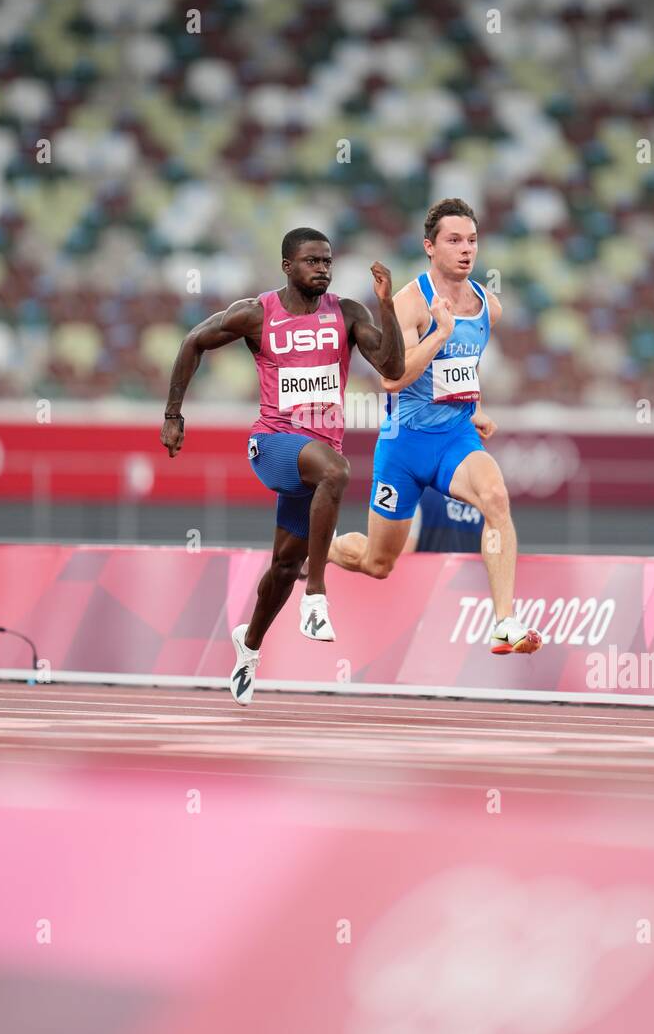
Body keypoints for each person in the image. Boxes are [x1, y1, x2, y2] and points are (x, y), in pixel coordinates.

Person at [160, 229, 404, 703]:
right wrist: (173, 415)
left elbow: (392, 368)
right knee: (337, 471)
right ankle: (317, 595)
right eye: (312, 261)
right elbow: (193, 342)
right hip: (271, 443)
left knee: (283, 566)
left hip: (314, 457)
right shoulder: (257, 313)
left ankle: (248, 646)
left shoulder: (348, 314)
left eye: (328, 261)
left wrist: (388, 305)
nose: (323, 269)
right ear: (288, 267)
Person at [328, 197, 541, 655]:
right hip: (403, 449)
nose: (466, 249)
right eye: (454, 240)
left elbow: (464, 365)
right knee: (378, 563)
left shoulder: (489, 307)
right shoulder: (409, 303)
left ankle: (504, 621)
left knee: (496, 497)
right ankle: (321, 545)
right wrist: (439, 333)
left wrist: (476, 405)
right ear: (430, 246)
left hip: (454, 440)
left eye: (472, 240)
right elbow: (391, 378)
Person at [404, 486, 484, 554]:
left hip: (427, 570)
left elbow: (403, 557)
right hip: (468, 570)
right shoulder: (483, 504)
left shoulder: (419, 495)